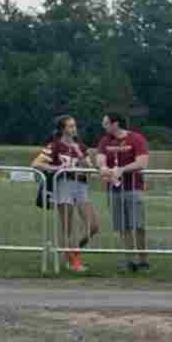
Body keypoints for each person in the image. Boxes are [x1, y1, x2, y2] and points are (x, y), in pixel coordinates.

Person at [32, 115, 99, 273]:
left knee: (93, 226)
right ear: (62, 129)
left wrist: (79, 153)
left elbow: (90, 168)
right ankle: (73, 262)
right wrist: (55, 169)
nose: (74, 129)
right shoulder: (55, 146)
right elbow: (36, 163)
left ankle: (73, 251)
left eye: (74, 126)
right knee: (67, 227)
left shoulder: (81, 147)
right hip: (63, 185)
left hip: (81, 186)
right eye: (70, 126)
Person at [94, 111, 150, 273]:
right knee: (123, 227)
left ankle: (143, 260)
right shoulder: (105, 140)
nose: (103, 126)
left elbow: (142, 162)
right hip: (114, 190)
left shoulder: (136, 138)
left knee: (138, 225)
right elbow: (100, 158)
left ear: (115, 123)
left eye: (105, 123)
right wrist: (103, 168)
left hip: (134, 188)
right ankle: (129, 260)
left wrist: (122, 170)